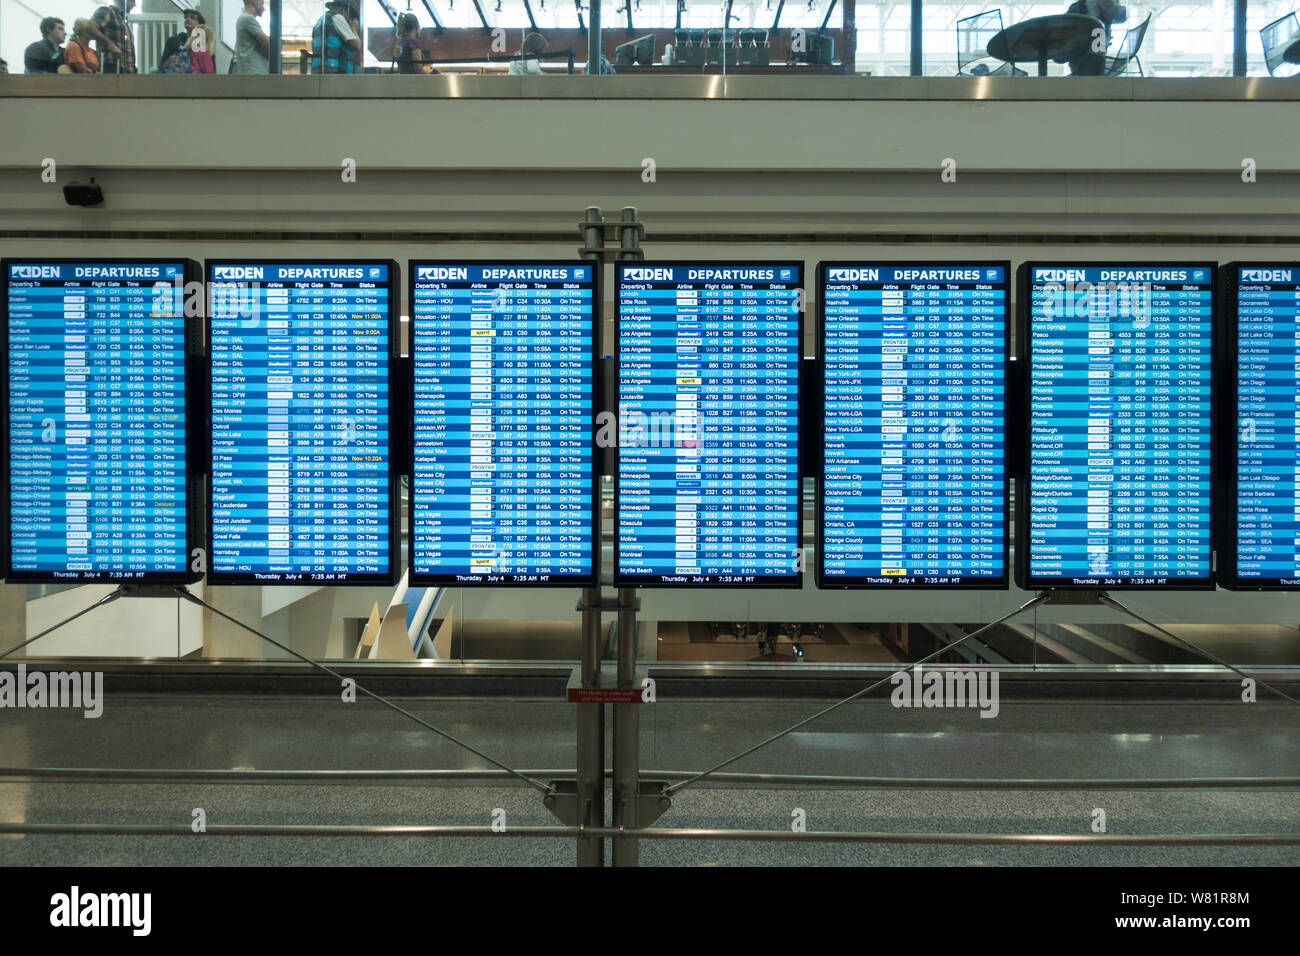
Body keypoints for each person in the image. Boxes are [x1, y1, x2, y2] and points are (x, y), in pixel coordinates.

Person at [1067, 0, 1127, 75]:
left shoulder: (1074, 7)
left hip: (1075, 52)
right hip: (1095, 49)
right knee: (1094, 67)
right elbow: (1121, 15)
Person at [84, 0, 137, 74]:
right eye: (133, 1)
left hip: (126, 70)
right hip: (111, 67)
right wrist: (110, 45)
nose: (134, 5)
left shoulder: (122, 19)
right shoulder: (107, 11)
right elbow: (89, 27)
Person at [311, 0, 362, 74]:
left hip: (319, 70)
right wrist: (353, 28)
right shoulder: (337, 17)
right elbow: (357, 45)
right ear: (345, 10)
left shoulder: (320, 21)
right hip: (334, 70)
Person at [234, 0, 271, 74]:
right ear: (255, 2)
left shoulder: (243, 19)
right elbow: (269, 45)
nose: (264, 8)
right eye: (262, 3)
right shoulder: (247, 19)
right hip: (255, 73)